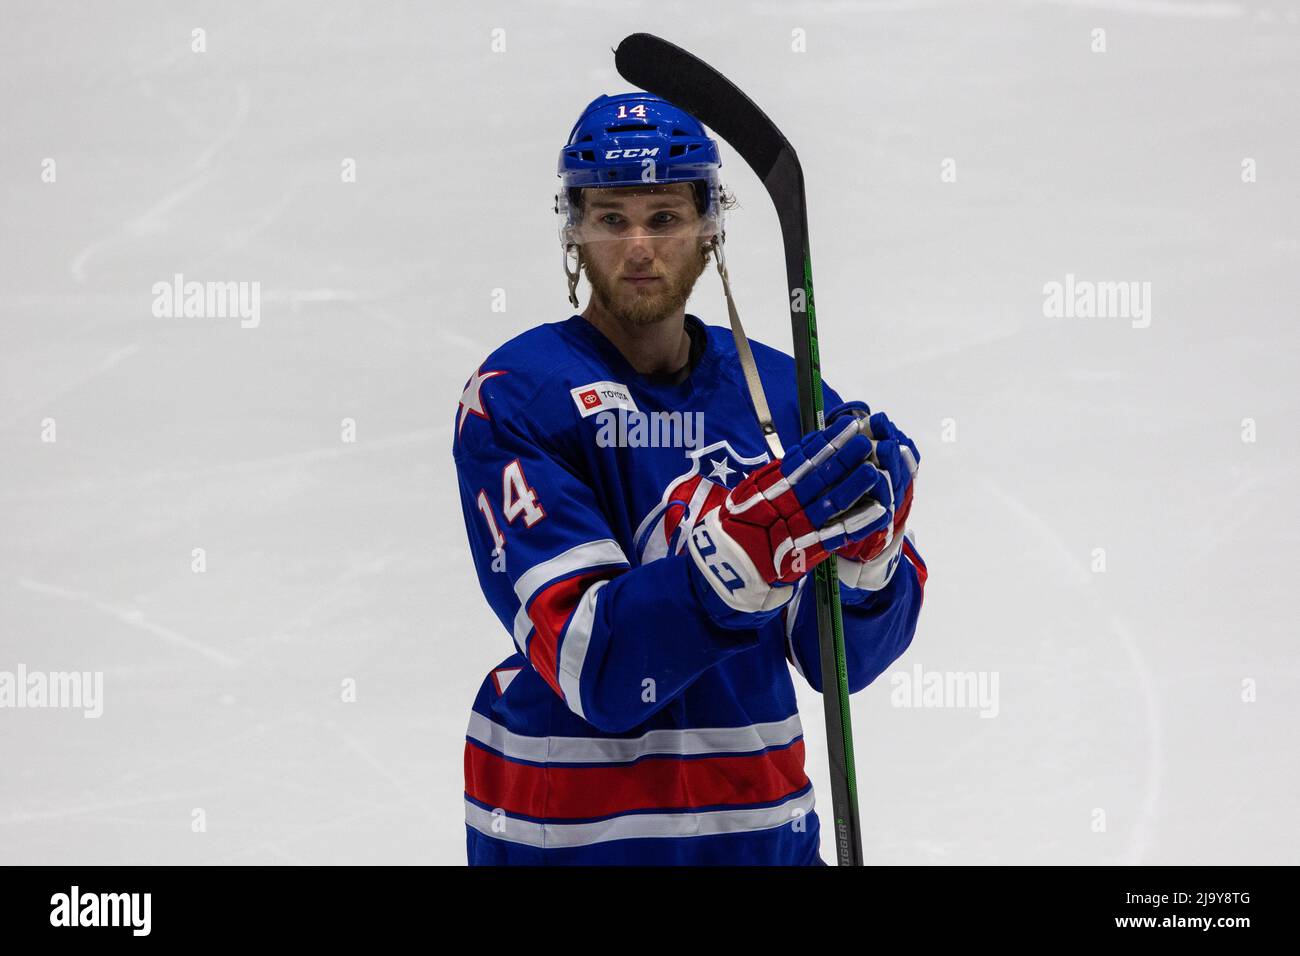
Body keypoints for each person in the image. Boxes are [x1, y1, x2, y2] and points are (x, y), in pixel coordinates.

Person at [453, 92, 927, 865]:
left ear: (711, 228)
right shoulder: (517, 394)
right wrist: (745, 551)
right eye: (611, 219)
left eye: (665, 218)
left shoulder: (783, 396)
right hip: (576, 834)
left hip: (760, 831)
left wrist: (867, 570)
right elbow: (594, 664)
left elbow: (835, 663)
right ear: (574, 230)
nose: (638, 246)